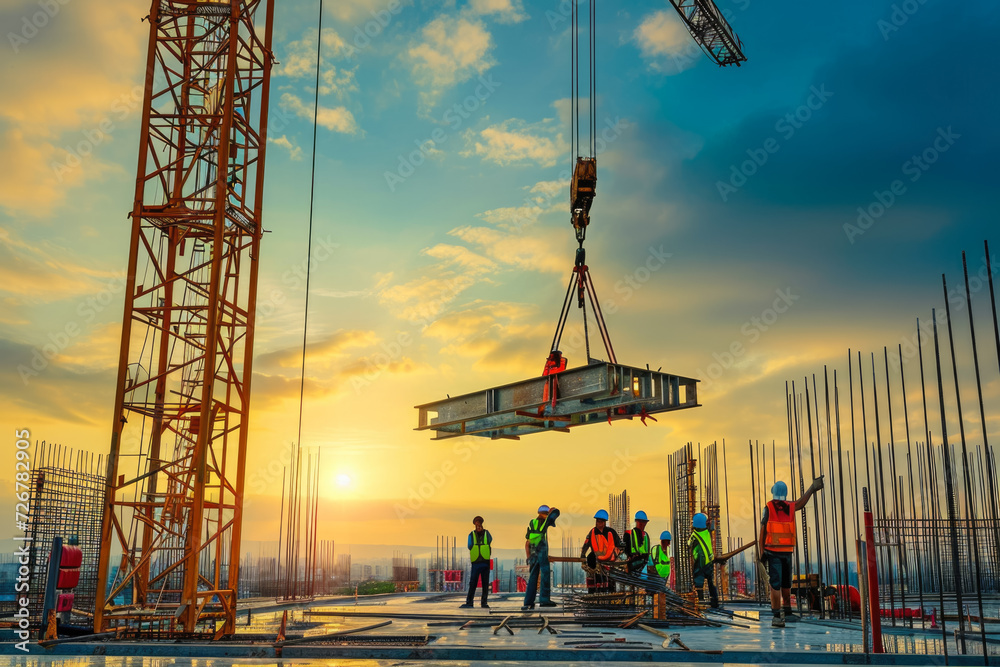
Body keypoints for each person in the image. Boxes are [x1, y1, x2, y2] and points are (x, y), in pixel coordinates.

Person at [758, 476, 824, 627]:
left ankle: (784, 612)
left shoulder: (771, 506)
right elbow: (801, 502)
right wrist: (812, 489)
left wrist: (761, 552)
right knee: (780, 583)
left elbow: (762, 530)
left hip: (779, 550)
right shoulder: (786, 506)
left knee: (783, 583)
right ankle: (777, 615)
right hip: (780, 551)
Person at [523, 504, 560, 610]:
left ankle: (528, 601)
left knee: (533, 577)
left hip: (533, 551)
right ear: (545, 514)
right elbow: (555, 514)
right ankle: (544, 600)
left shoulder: (532, 523)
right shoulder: (545, 521)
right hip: (541, 550)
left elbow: (527, 542)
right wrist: (552, 511)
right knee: (545, 574)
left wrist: (528, 556)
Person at [581, 509, 625, 593]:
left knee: (609, 578)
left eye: (600, 521)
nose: (598, 523)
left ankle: (610, 593)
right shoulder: (592, 532)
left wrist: (617, 555)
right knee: (593, 572)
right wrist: (583, 556)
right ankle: (593, 592)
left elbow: (620, 544)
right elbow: (586, 544)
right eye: (597, 521)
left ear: (604, 522)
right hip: (596, 559)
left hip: (609, 561)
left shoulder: (611, 532)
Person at [460, 516, 492, 609]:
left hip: (480, 562)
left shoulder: (476, 534)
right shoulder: (483, 534)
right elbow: (489, 541)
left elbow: (469, 545)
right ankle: (482, 603)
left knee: (476, 583)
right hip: (481, 562)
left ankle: (472, 603)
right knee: (481, 583)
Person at [689, 512, 719, 609]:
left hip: (700, 564)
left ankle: (700, 602)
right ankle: (714, 602)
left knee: (698, 584)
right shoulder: (707, 532)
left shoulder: (694, 535)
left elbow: (688, 544)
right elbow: (712, 526)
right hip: (709, 563)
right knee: (711, 584)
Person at [624, 510, 651, 575]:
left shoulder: (646, 536)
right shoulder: (629, 534)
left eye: (644, 522)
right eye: (640, 521)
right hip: (633, 564)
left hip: (643, 564)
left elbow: (647, 552)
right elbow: (626, 550)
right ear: (636, 521)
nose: (642, 524)